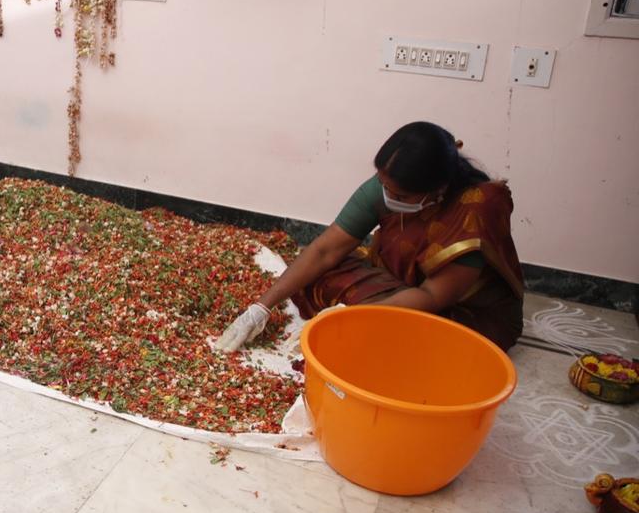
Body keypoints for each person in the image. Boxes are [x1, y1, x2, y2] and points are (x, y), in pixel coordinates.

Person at [216, 121, 525, 353]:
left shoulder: (476, 209)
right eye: (382, 184)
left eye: (398, 193)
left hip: (460, 312)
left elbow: (432, 297)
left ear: (437, 188)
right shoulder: (386, 186)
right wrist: (260, 307)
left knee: (404, 342)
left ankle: (364, 322)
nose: (385, 194)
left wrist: (353, 318)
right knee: (320, 274)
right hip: (396, 285)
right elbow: (326, 250)